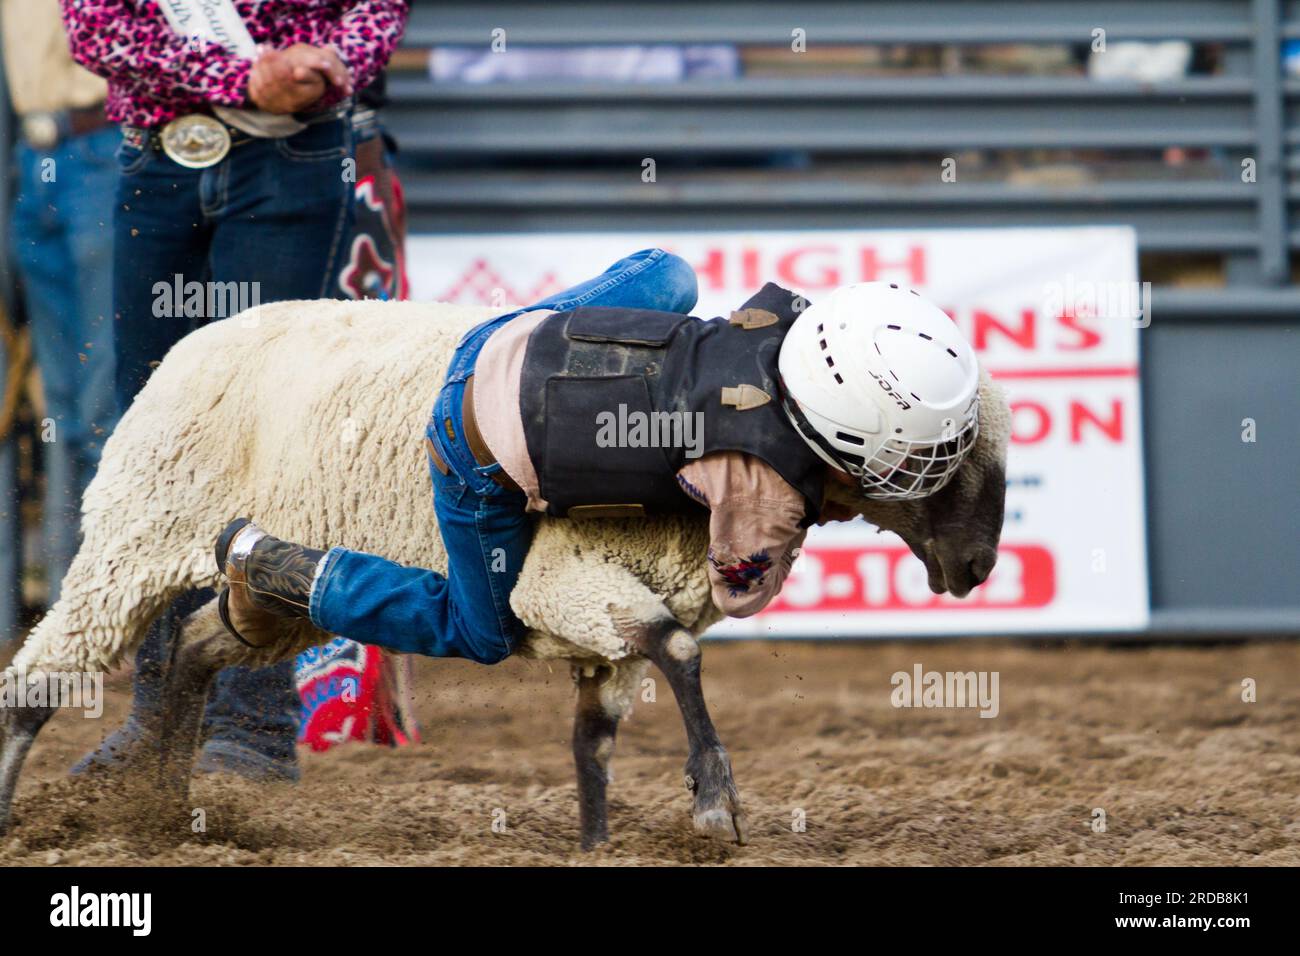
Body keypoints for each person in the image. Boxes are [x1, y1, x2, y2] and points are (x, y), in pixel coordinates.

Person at [214, 249, 984, 660]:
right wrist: (819, 508)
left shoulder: (784, 326)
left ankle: (495, 341)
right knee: (481, 633)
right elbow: (738, 589)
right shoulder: (766, 494)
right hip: (473, 443)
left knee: (670, 273)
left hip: (510, 337)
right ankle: (276, 564)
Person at [61, 0, 409, 781]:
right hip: (165, 160)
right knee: (158, 443)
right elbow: (93, 23)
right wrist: (245, 75)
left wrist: (323, 69)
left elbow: (376, 11)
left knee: (266, 434)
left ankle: (251, 725)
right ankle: (164, 720)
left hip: (283, 154)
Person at [3, 0, 119, 604]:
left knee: (104, 394)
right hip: (36, 151)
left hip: (101, 142)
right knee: (60, 401)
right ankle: (67, 597)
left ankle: (113, 598)